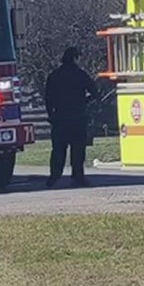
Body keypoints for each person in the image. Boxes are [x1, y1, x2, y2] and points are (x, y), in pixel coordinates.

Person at [44, 46, 98, 188]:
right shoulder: (80, 74)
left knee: (58, 150)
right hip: (78, 118)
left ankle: (54, 177)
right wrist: (84, 102)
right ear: (75, 58)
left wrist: (51, 115)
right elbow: (94, 91)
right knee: (78, 150)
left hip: (60, 118)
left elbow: (48, 98)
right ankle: (78, 176)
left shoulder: (54, 75)